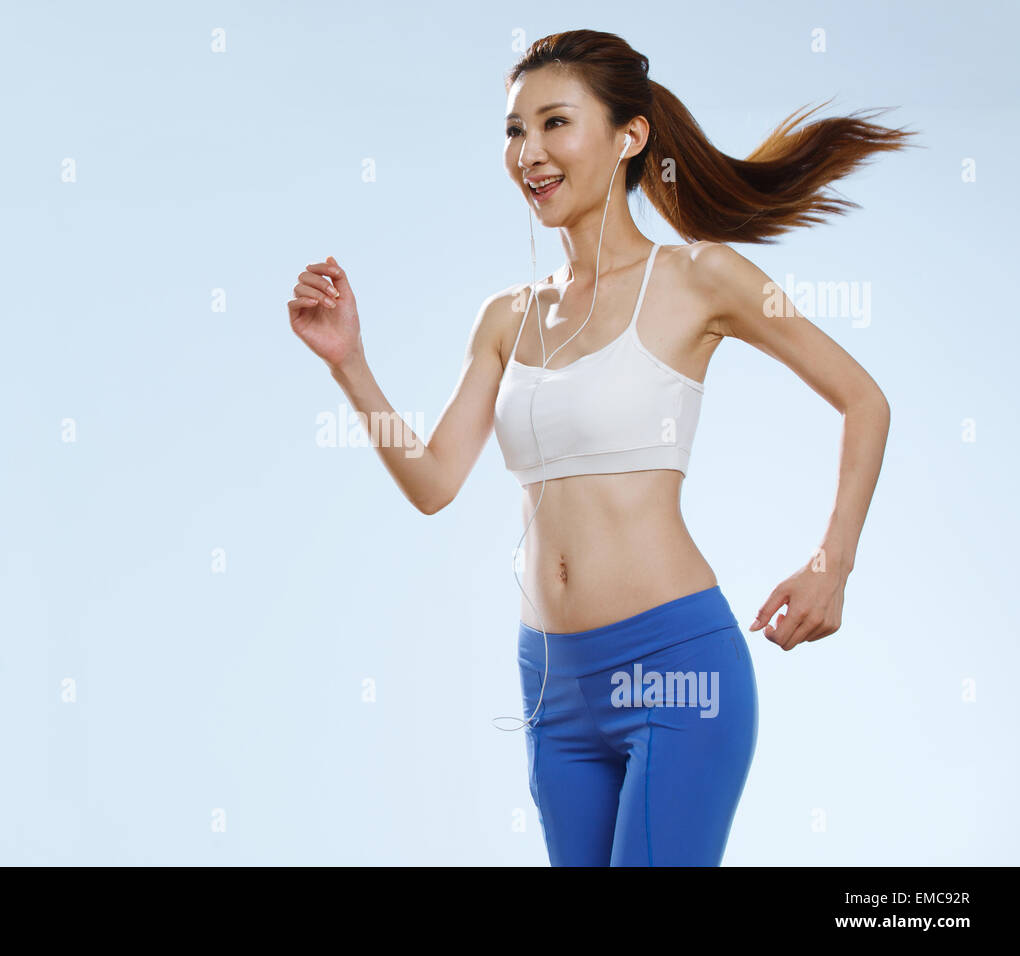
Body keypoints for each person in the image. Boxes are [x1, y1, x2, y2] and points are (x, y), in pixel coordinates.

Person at [287, 29, 908, 866]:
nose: (529, 153)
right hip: (551, 684)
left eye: (554, 124)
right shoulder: (505, 317)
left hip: (675, 671)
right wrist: (351, 366)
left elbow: (863, 399)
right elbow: (434, 479)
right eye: (514, 131)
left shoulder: (701, 278)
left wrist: (833, 565)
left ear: (629, 137)